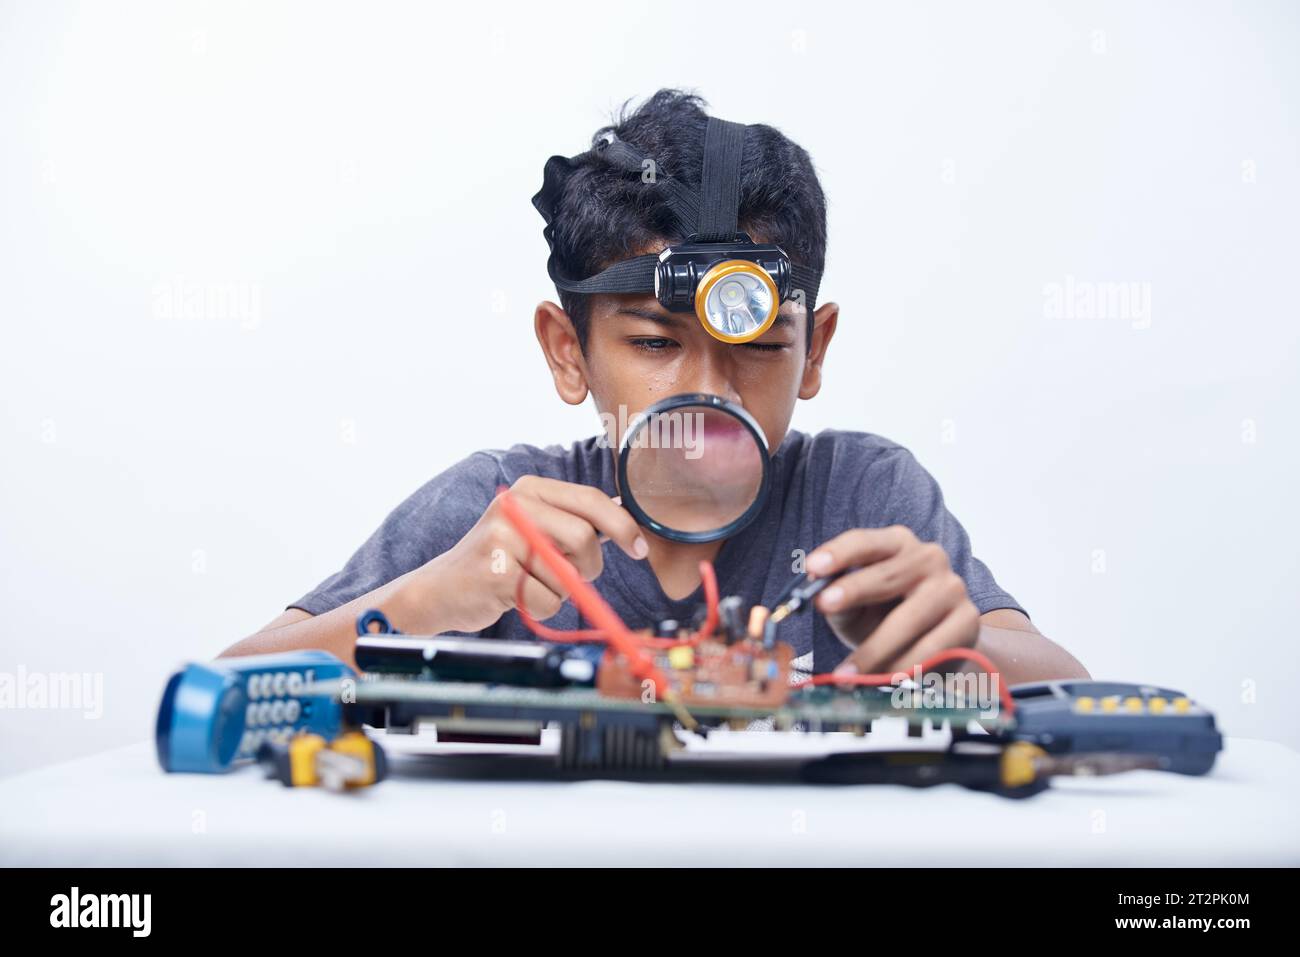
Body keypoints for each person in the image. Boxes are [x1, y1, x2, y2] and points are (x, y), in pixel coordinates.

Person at [221, 89, 1088, 687]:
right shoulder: (497, 514)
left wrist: (957, 642)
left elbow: (1071, 686)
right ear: (569, 352)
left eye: (757, 344)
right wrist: (428, 598)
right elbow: (230, 681)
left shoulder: (862, 497)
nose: (707, 394)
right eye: (652, 341)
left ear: (813, 352)